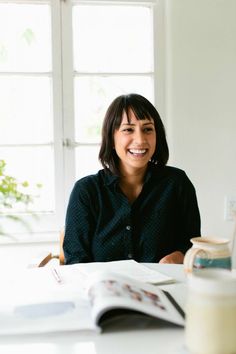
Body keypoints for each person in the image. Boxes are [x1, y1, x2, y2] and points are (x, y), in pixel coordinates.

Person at [63, 93, 201, 264]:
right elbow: (76, 259)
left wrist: (179, 256)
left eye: (147, 129)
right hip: (104, 290)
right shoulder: (86, 191)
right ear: (111, 138)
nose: (140, 139)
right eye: (128, 129)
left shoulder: (177, 183)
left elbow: (192, 244)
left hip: (165, 289)